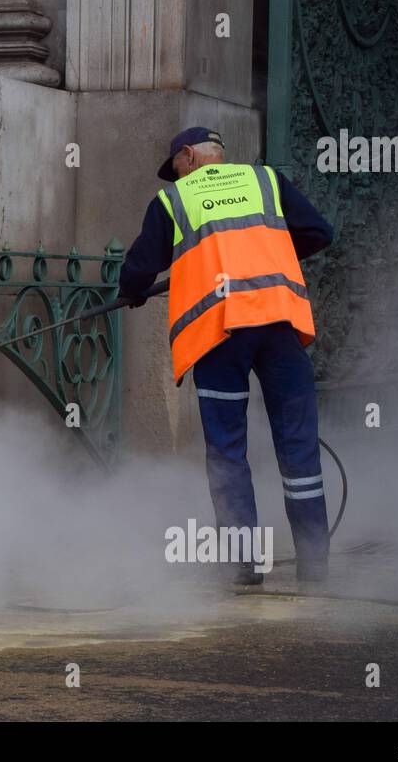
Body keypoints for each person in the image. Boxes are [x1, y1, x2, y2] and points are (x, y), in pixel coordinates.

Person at [120, 127, 334, 586]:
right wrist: (266, 255)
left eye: (174, 169)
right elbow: (319, 232)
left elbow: (139, 270)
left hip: (221, 334)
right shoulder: (266, 181)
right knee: (299, 449)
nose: (173, 178)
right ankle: (315, 566)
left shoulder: (173, 201)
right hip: (279, 325)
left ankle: (243, 565)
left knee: (227, 451)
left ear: (188, 155)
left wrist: (132, 293)